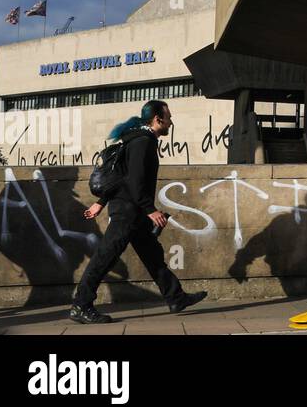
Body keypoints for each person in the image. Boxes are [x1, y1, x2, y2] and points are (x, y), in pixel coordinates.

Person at [69, 101, 207, 324]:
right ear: (157, 119)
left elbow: (122, 178)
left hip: (131, 208)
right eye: (168, 117)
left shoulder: (136, 140)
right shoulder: (143, 142)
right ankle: (81, 305)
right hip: (128, 211)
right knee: (104, 257)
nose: (171, 122)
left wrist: (101, 202)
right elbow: (134, 181)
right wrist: (150, 209)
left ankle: (176, 297)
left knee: (153, 255)